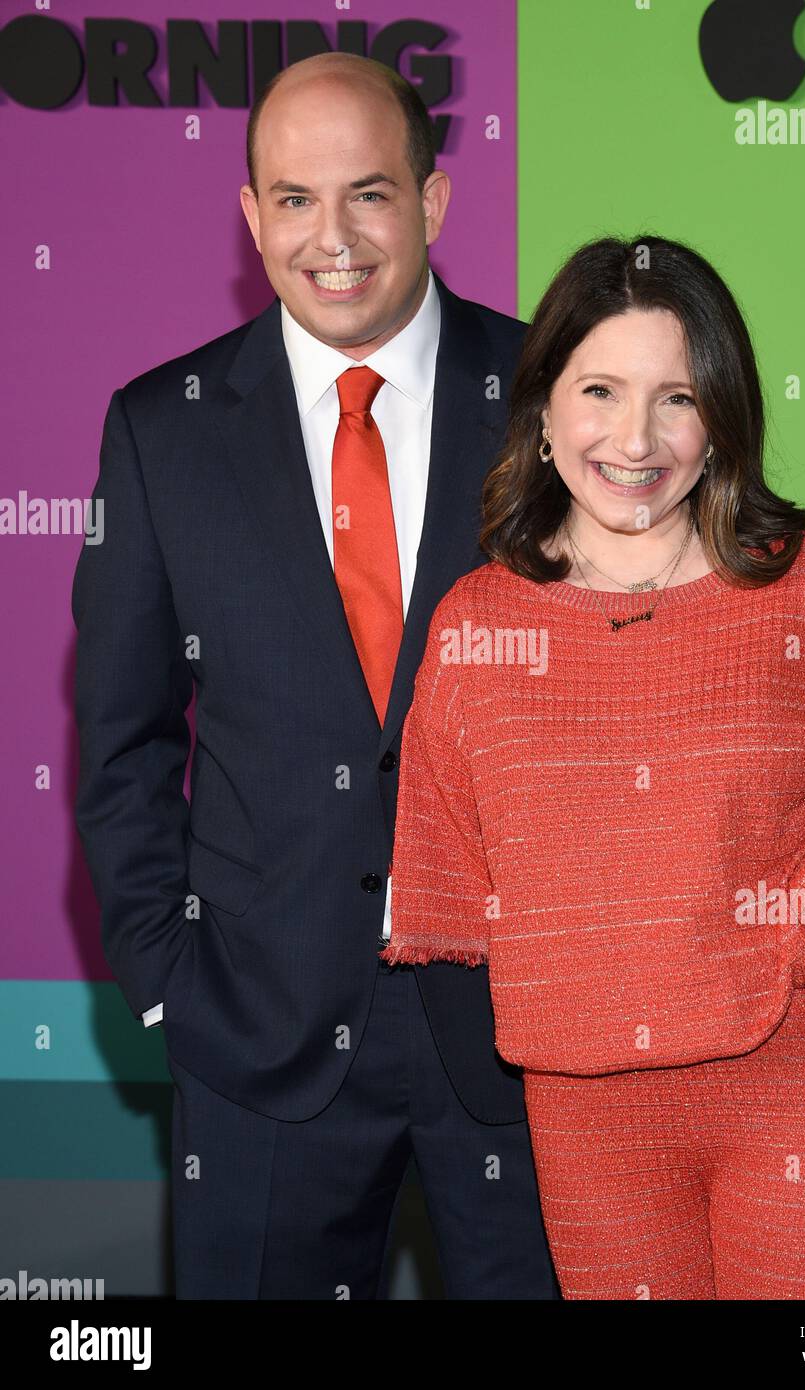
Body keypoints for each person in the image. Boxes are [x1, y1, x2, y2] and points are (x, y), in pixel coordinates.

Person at [379, 233, 805, 1300]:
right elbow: (447, 871)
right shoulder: (475, 628)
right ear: (544, 408)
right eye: (601, 389)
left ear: (721, 423)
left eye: (678, 397)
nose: (635, 437)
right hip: (589, 1109)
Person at [71, 52, 559, 1299]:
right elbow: (119, 746)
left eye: (370, 195)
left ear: (435, 203)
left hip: (528, 1040)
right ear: (249, 216)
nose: (331, 238)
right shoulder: (161, 427)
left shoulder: (556, 409)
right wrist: (173, 991)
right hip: (259, 1041)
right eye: (293, 199)